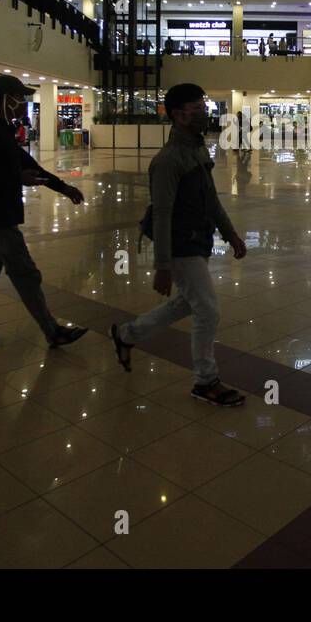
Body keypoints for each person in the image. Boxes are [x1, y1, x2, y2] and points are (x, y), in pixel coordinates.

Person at [109, 83, 248, 407]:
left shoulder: (197, 149)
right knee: (208, 310)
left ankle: (127, 335)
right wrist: (162, 266)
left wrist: (230, 234)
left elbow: (211, 200)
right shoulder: (168, 161)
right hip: (180, 244)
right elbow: (162, 214)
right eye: (197, 108)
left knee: (187, 303)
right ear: (178, 114)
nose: (203, 113)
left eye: (203, 106)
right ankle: (205, 381)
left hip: (198, 239)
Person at [0, 74, 88, 348]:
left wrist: (63, 187)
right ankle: (53, 331)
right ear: (6, 100)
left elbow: (30, 166)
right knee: (26, 275)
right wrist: (16, 178)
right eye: (20, 98)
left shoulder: (6, 131)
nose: (24, 103)